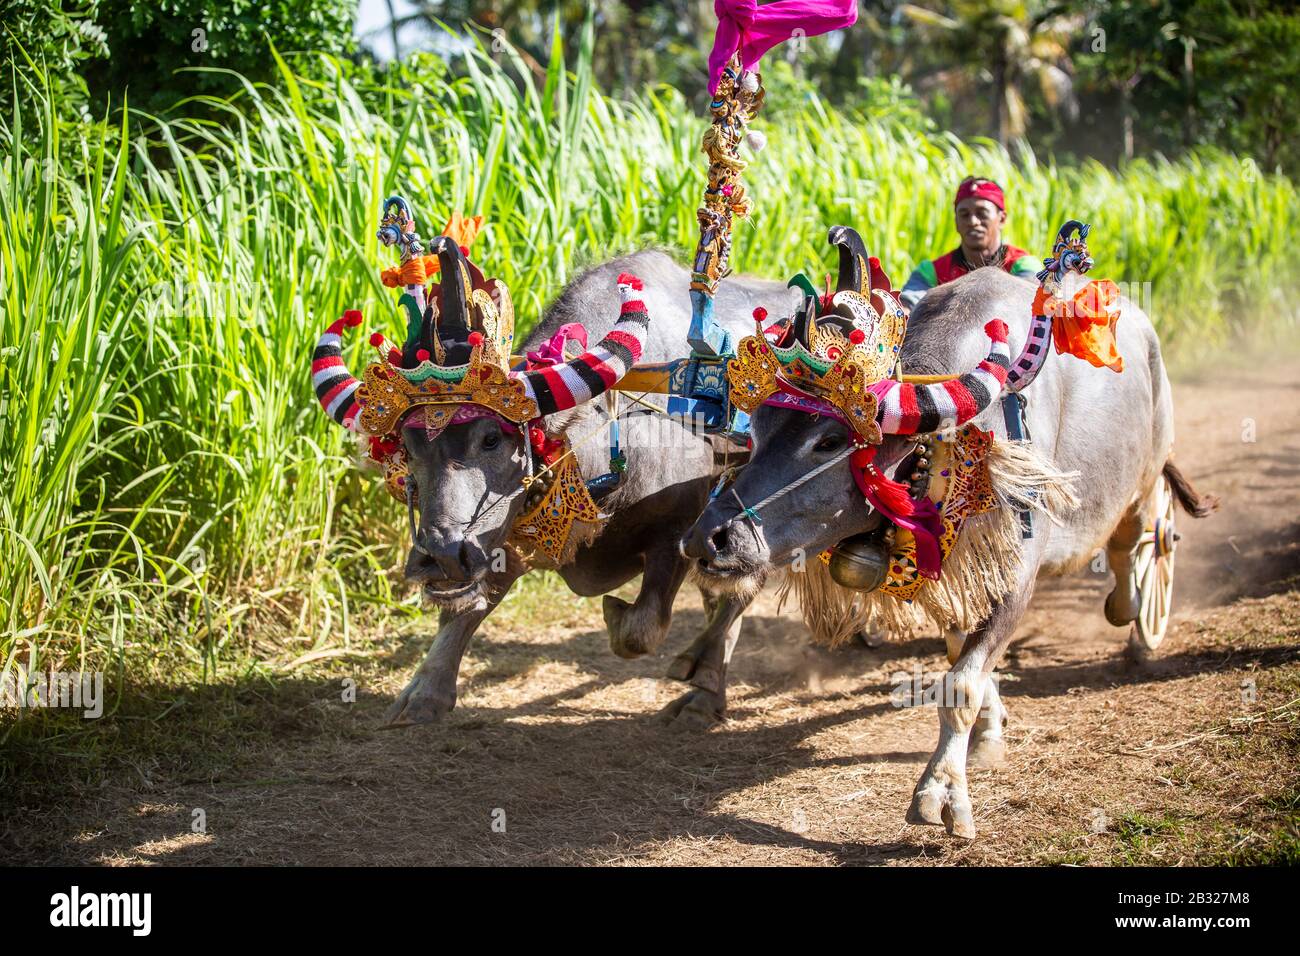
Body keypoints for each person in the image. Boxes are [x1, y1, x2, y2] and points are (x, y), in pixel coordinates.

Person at [899, 177, 1043, 310]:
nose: (973, 222)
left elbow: (1030, 304)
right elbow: (908, 304)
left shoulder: (1023, 265)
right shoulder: (931, 271)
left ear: (1002, 219)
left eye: (982, 213)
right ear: (956, 222)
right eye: (964, 214)